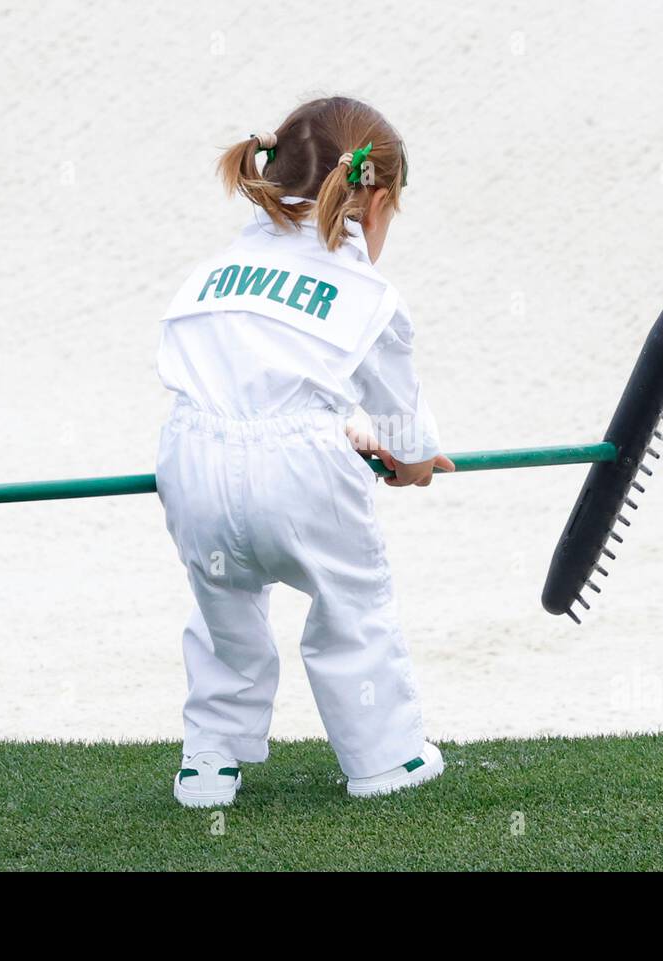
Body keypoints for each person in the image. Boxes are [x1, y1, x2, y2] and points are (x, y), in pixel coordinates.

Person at [156, 96, 453, 807]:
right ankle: (387, 760)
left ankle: (209, 764)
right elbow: (402, 422)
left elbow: (253, 382)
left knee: (223, 607)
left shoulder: (217, 269)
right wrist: (412, 460)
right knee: (352, 606)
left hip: (190, 462)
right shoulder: (366, 290)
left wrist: (332, 431)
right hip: (299, 479)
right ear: (375, 201)